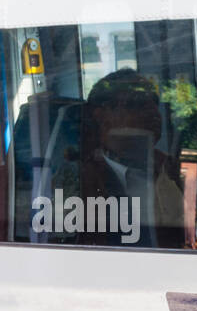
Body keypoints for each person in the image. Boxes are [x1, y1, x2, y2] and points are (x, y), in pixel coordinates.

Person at [80, 69, 189, 248]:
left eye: (154, 102)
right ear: (100, 116)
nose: (153, 111)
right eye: (136, 103)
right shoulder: (80, 179)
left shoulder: (171, 168)